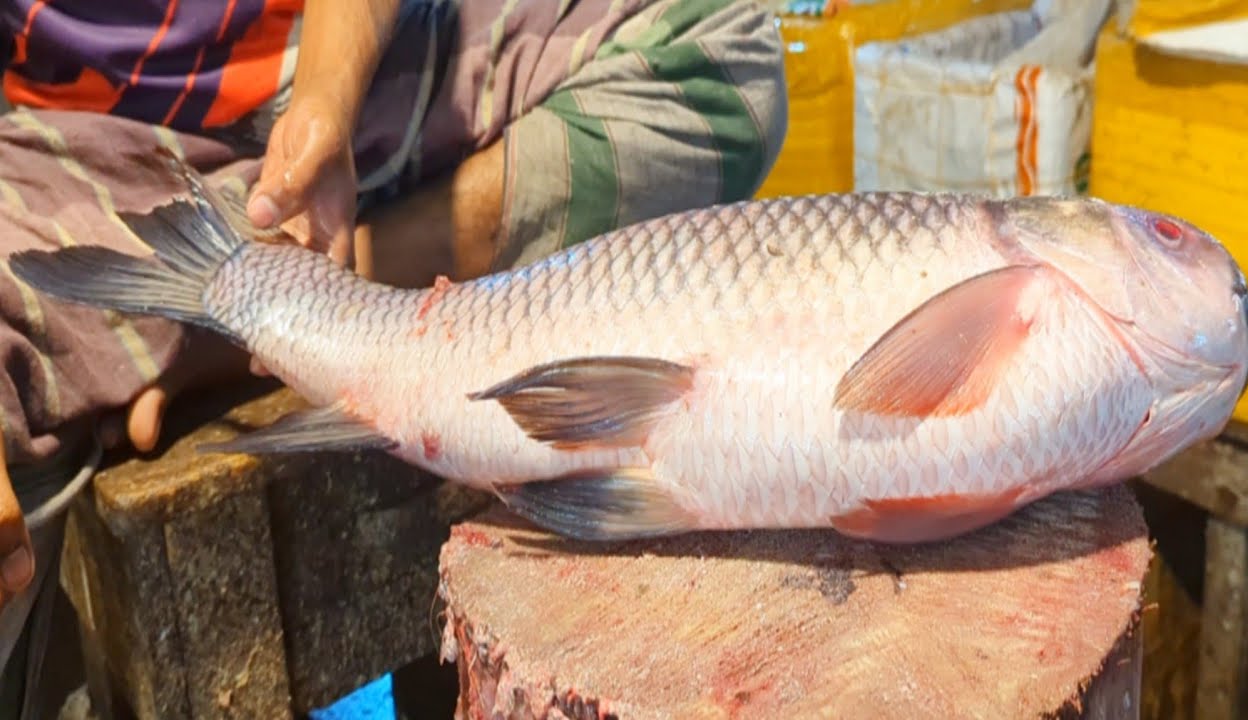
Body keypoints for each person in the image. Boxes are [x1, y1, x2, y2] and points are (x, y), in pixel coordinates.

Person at [0, 0, 787, 717]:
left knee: (726, 52)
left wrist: (323, 102)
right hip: (79, 143)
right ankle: (259, 304)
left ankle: (294, 308)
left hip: (373, 68)